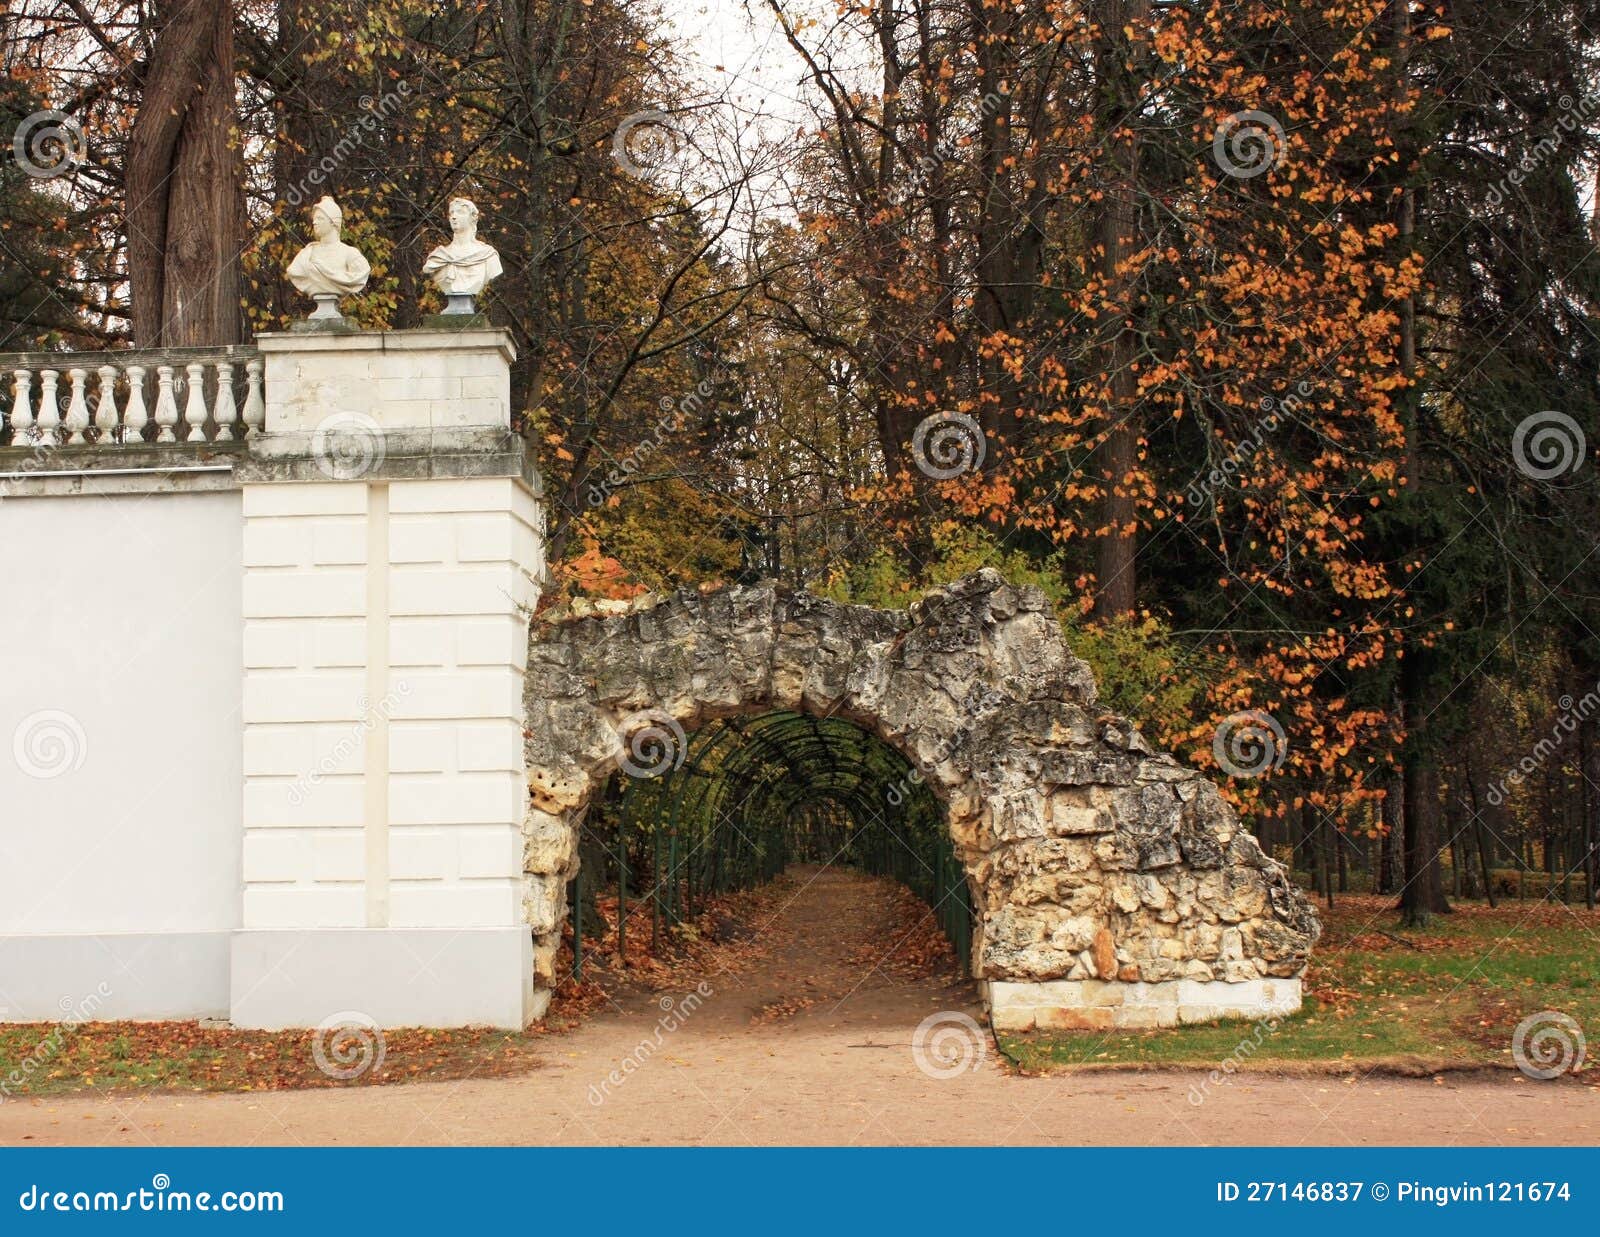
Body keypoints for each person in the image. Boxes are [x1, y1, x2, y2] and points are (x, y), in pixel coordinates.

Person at [286, 197, 370, 318]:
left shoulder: (350, 253)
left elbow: (359, 275)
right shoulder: (306, 254)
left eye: (320, 219)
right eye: (314, 219)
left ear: (333, 222)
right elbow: (294, 271)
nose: (314, 222)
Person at [421, 197, 502, 309]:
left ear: (473, 218)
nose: (453, 216)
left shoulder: (488, 255)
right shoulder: (439, 256)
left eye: (460, 212)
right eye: (451, 213)